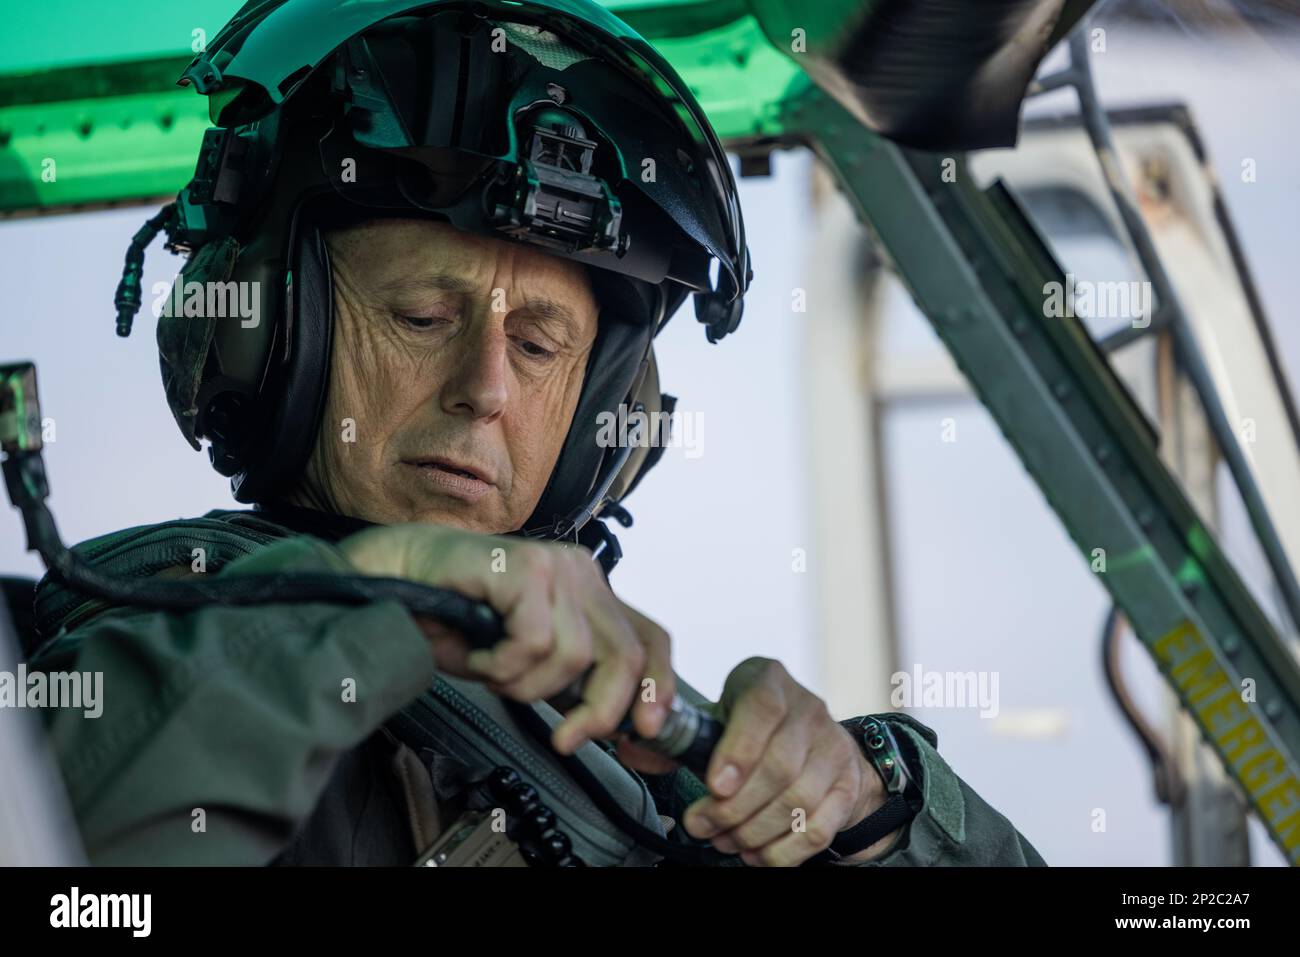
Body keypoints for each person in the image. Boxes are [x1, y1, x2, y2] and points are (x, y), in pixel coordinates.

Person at [28, 0, 1043, 867]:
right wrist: (386, 602)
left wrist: (868, 809)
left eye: (543, 345)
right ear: (269, 332)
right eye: (422, 318)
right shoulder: (136, 641)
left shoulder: (609, 740)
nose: (483, 390)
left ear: (608, 409)